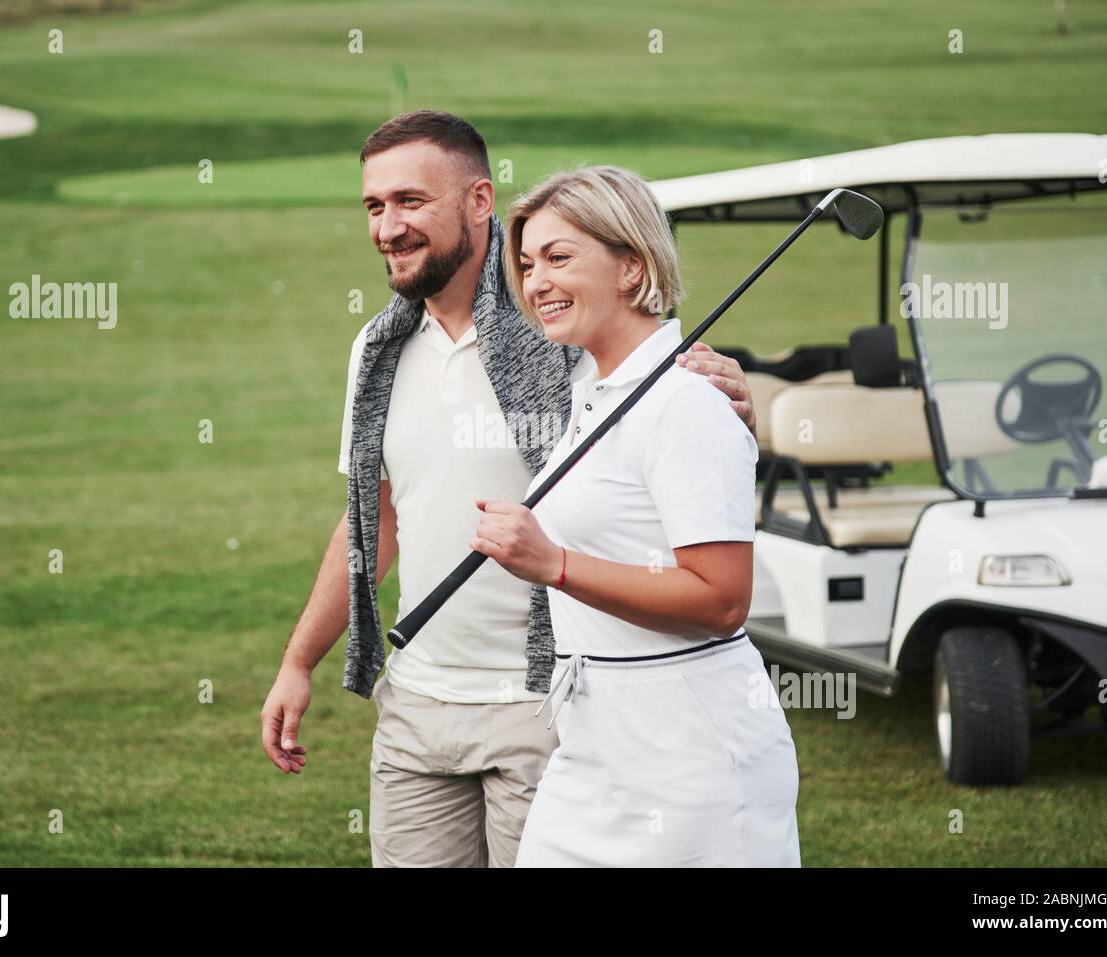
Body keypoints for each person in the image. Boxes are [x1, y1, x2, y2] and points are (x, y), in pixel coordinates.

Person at [260, 111, 760, 868]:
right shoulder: (376, 351)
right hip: (417, 706)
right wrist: (299, 661)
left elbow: (655, 397)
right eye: (373, 206)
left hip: (547, 704)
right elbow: (373, 520)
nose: (387, 227)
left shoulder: (566, 329)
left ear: (479, 201)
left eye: (410, 202)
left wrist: (732, 396)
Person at [470, 164, 800, 867]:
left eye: (560, 257)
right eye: (527, 264)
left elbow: (721, 599)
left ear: (631, 265)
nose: (536, 283)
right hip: (594, 744)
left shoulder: (687, 402)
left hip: (690, 756)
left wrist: (552, 564)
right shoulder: (591, 390)